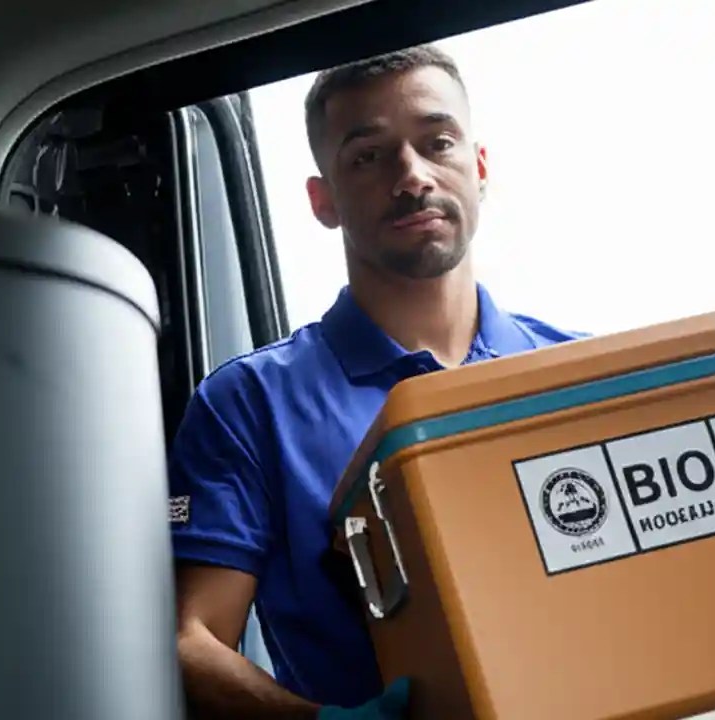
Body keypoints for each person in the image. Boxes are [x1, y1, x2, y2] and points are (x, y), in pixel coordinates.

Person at [165, 43, 586, 719]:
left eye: (437, 142)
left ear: (478, 168)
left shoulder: (583, 372)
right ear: (322, 200)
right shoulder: (250, 403)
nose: (412, 175)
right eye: (369, 156)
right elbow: (191, 639)